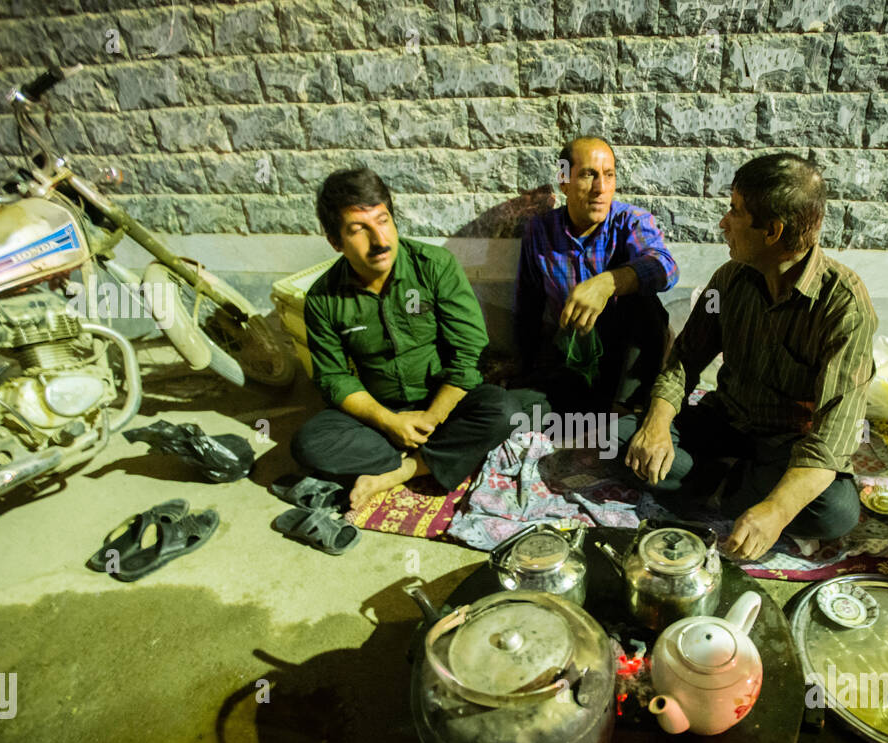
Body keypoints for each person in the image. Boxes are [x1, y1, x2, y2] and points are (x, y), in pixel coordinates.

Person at [622, 153, 877, 561]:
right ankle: (730, 487)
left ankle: (715, 487)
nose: (723, 222)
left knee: (835, 513)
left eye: (735, 211)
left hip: (788, 447)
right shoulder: (729, 279)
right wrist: (656, 423)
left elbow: (832, 440)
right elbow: (684, 360)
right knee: (627, 441)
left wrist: (777, 510)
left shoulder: (844, 307)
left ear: (772, 231)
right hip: (725, 420)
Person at [291, 168, 518, 510]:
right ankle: (436, 454)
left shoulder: (434, 266)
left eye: (383, 221)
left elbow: (469, 352)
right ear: (336, 242)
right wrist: (389, 421)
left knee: (504, 410)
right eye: (359, 229)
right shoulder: (323, 298)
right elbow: (333, 378)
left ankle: (401, 469)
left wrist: (432, 419)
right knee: (309, 443)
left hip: (444, 402)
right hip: (379, 411)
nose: (379, 239)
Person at [511, 135, 679, 415]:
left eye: (608, 175)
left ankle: (627, 407)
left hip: (628, 362)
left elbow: (666, 267)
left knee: (642, 298)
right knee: (510, 410)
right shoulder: (540, 231)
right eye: (589, 175)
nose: (600, 188)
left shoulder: (631, 221)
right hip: (574, 355)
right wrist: (523, 366)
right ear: (564, 181)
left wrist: (608, 283)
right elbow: (528, 305)